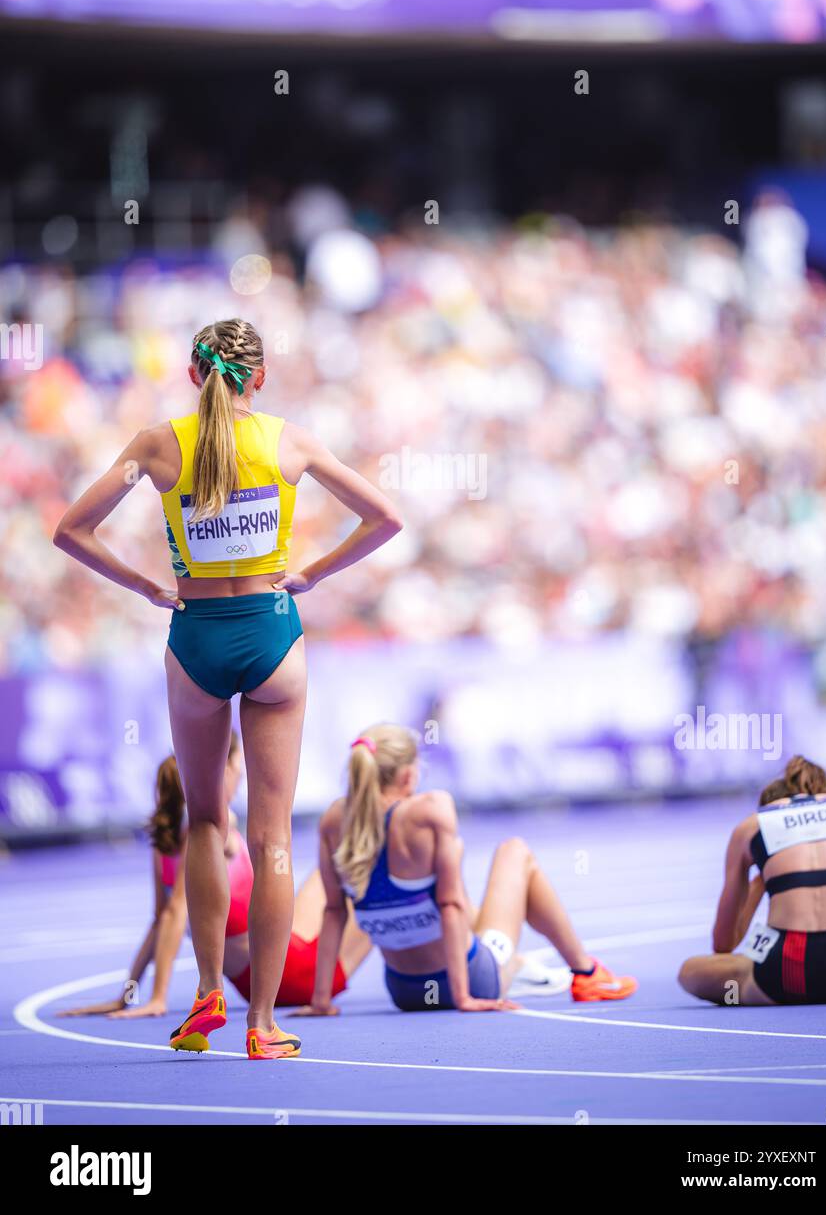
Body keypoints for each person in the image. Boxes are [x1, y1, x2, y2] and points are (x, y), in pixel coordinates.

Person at [53, 318, 402, 1058]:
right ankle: (263, 1023)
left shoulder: (155, 446)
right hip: (273, 635)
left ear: (192, 375)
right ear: (260, 378)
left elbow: (71, 531)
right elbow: (386, 517)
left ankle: (207, 995)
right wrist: (313, 572)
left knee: (208, 823)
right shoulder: (291, 442)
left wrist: (150, 586)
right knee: (274, 839)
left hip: (195, 637)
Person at [296, 724, 638, 1016]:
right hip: (466, 979)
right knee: (514, 853)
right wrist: (464, 997)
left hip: (404, 991)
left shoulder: (334, 820)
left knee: (437, 881)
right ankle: (586, 971)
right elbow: (450, 906)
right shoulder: (430, 809)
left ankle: (518, 963)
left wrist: (321, 1001)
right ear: (408, 774)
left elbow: (334, 912)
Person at [59, 736, 371, 1027]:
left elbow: (160, 921)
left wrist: (127, 994)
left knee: (329, 874)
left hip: (263, 982)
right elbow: (173, 913)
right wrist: (157, 998)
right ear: (224, 768)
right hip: (293, 978)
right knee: (370, 876)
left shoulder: (165, 843)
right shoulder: (219, 832)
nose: (239, 782)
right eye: (238, 769)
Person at [678, 755, 826, 1005]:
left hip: (783, 977)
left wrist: (759, 883)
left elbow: (723, 944)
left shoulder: (751, 827)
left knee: (690, 973)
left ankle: (742, 995)